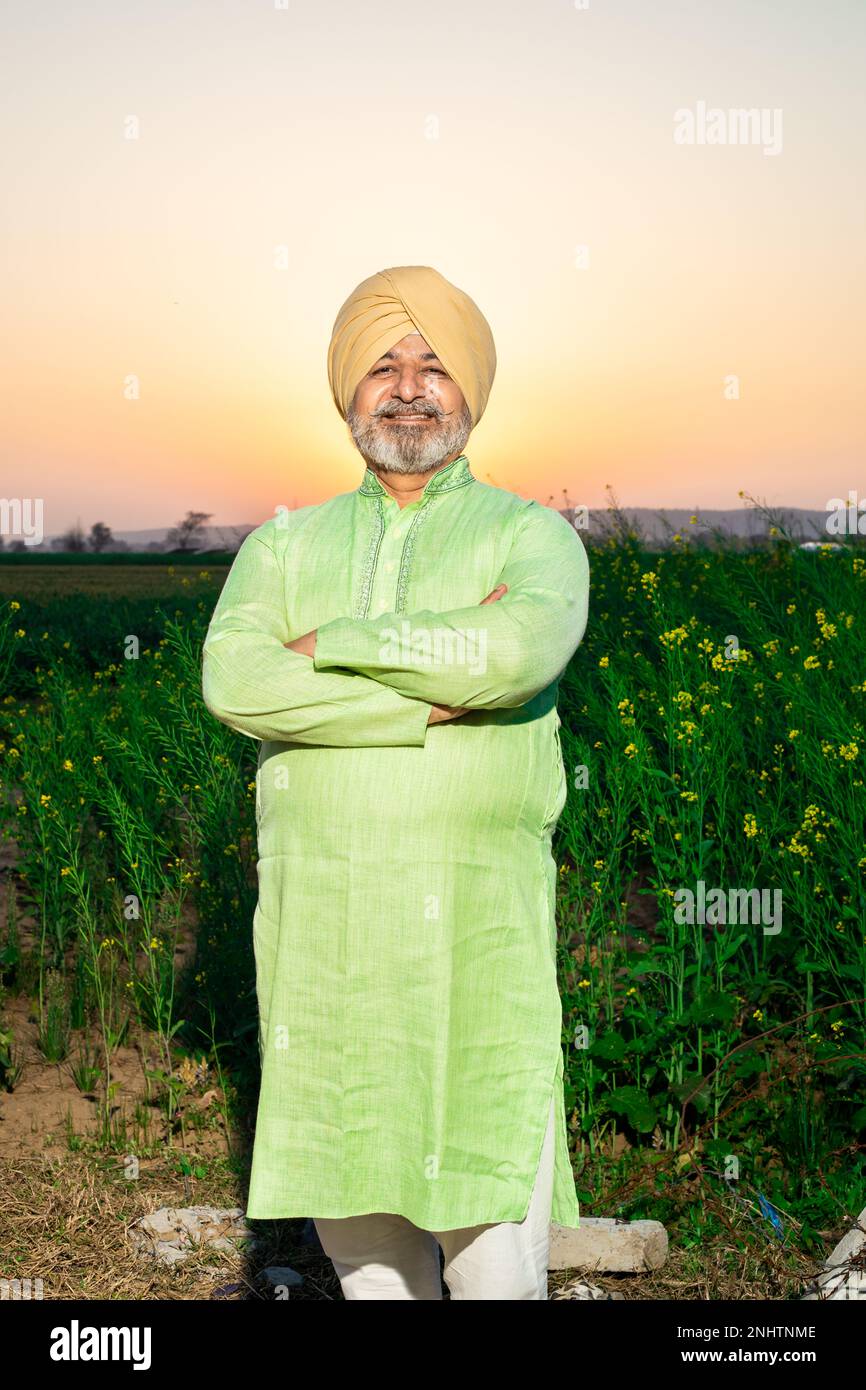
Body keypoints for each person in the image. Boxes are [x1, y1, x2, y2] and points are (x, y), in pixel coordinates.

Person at [201, 264, 591, 1299]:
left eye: (434, 366)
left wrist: (331, 643)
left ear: (471, 392)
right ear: (347, 392)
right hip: (324, 935)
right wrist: (424, 694)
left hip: (473, 937)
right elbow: (234, 677)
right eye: (382, 364)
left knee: (492, 1253)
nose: (408, 386)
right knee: (365, 1247)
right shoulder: (284, 542)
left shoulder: (530, 535)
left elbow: (511, 654)